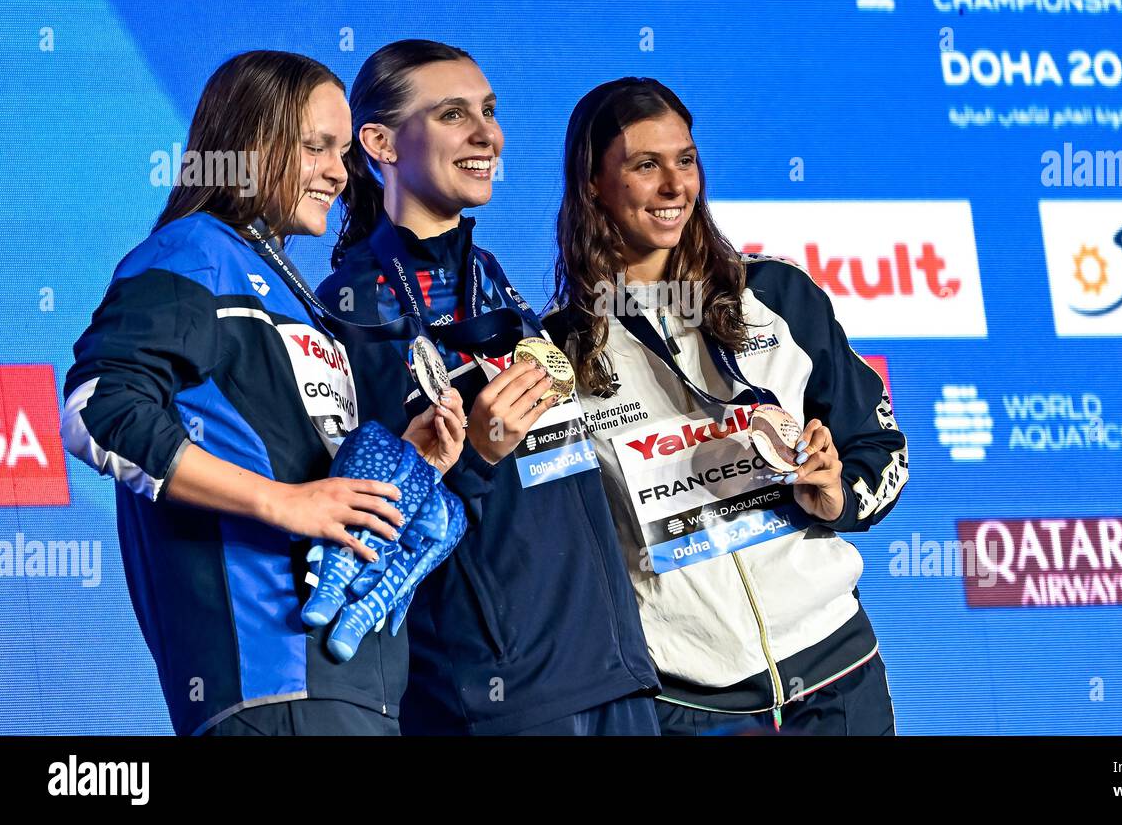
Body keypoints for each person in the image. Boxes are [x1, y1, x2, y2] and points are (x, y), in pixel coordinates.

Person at [60, 50, 465, 736]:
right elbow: (98, 409)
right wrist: (283, 503)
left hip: (355, 688)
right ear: (248, 146)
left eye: (342, 151)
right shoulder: (193, 251)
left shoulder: (285, 287)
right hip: (267, 681)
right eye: (316, 147)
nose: (339, 173)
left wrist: (411, 461)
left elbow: (296, 457)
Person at [547, 77, 909, 735]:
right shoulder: (558, 350)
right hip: (692, 702)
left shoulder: (777, 294)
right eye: (644, 165)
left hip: (837, 672)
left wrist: (840, 495)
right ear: (593, 182)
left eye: (685, 160)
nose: (674, 186)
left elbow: (880, 446)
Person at [317, 40, 660, 735]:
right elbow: (371, 523)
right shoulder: (350, 306)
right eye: (452, 114)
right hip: (497, 695)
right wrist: (475, 455)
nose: (487, 134)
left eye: (490, 111)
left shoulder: (490, 275)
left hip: (610, 668)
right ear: (379, 142)